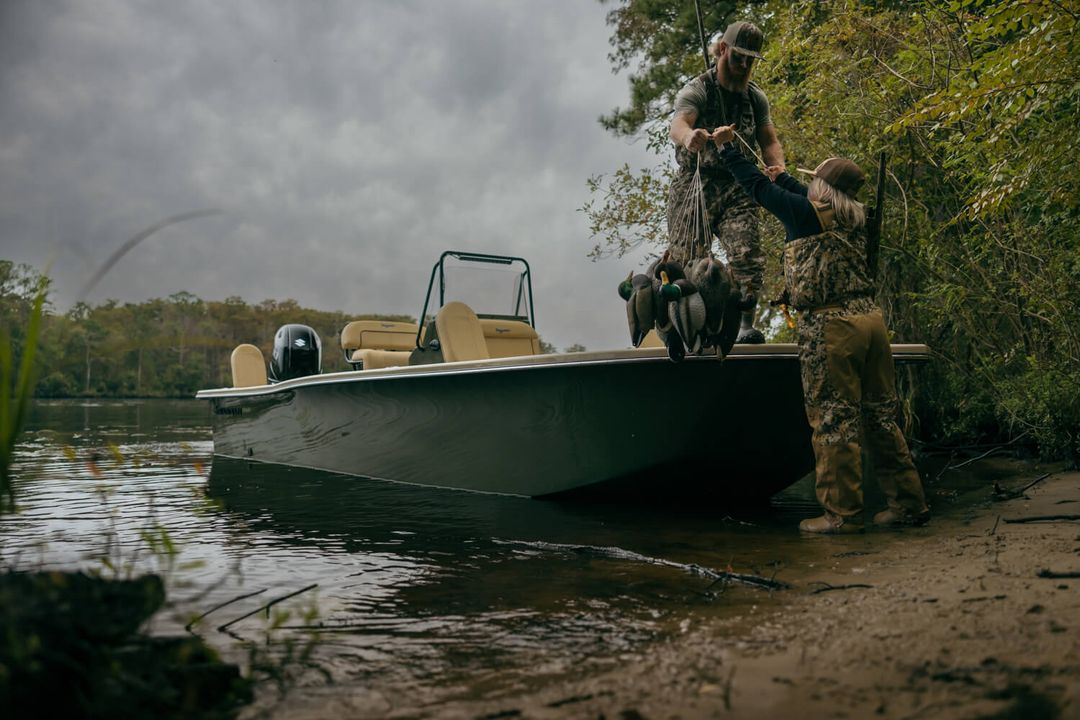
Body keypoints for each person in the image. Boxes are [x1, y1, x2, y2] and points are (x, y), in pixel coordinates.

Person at [712, 125, 930, 533]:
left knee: (832, 421)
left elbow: (759, 190)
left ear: (823, 189)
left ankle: (842, 516)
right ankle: (908, 505)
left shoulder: (807, 215)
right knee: (881, 417)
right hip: (871, 323)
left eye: (813, 180)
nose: (808, 185)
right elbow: (801, 199)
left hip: (833, 327)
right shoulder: (860, 218)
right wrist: (788, 181)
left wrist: (728, 151)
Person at [666, 20, 785, 344]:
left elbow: (769, 139)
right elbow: (678, 122)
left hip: (737, 186)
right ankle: (688, 325)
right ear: (723, 50)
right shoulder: (699, 89)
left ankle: (745, 325)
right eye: (738, 57)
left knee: (748, 253)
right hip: (696, 182)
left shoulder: (755, 98)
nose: (744, 65)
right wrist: (688, 137)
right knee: (687, 260)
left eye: (751, 59)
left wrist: (777, 168)